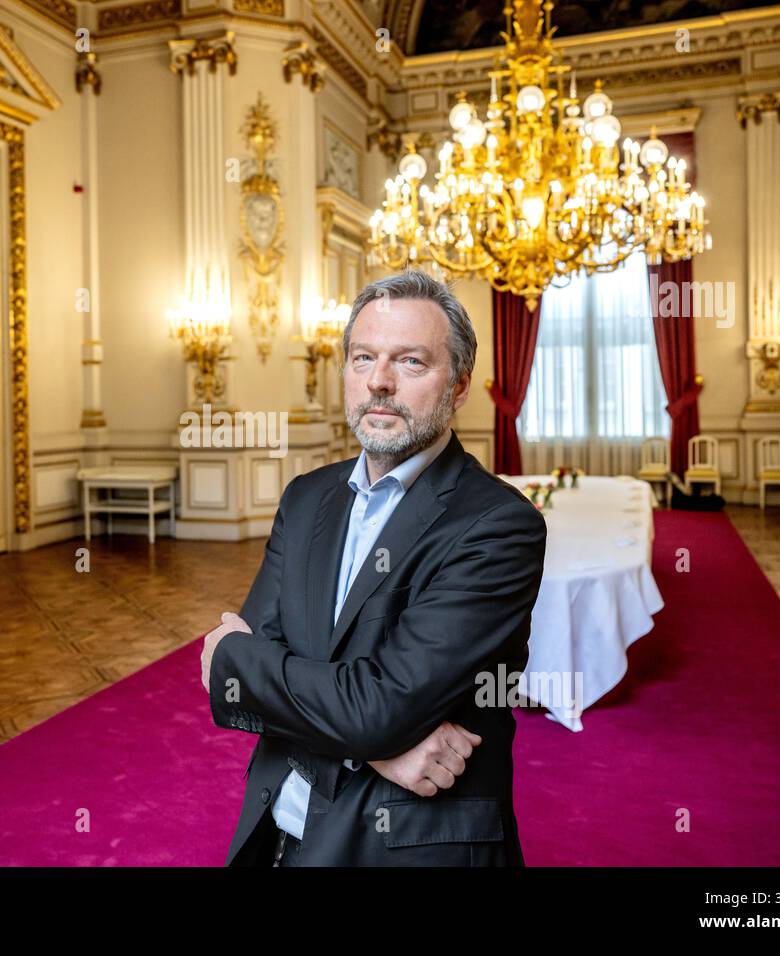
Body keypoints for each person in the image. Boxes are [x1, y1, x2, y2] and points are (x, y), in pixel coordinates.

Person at [201, 270, 547, 866]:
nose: (379, 382)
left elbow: (357, 701)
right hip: (274, 830)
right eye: (363, 357)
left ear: (460, 385)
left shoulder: (497, 525)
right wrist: (377, 748)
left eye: (411, 362)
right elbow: (247, 678)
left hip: (402, 850)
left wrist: (362, 721)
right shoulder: (306, 498)